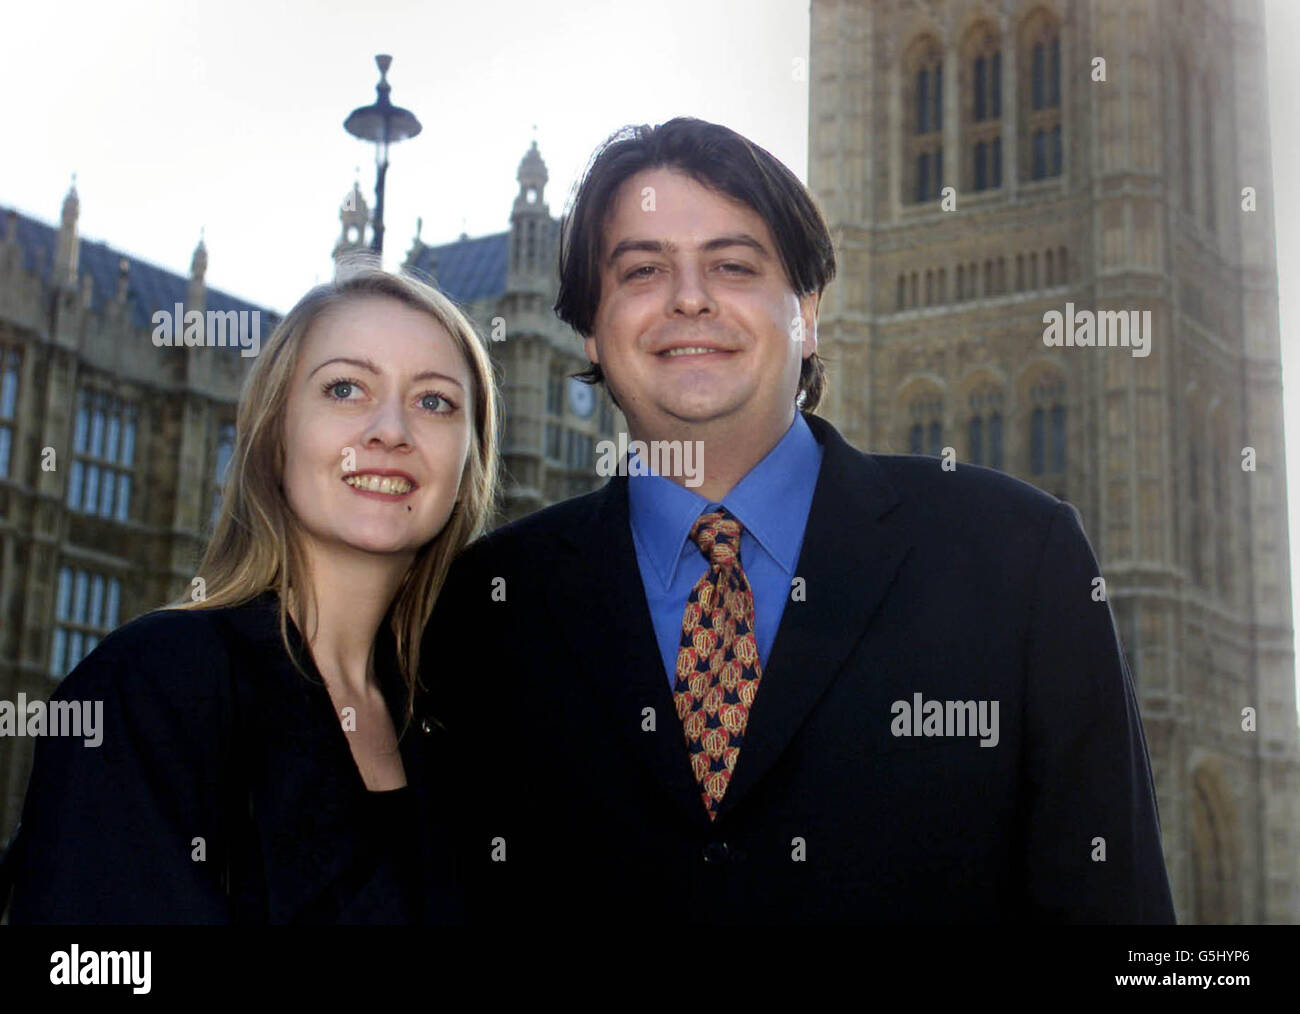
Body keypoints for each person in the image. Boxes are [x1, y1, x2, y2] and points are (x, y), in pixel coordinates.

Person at [422, 117, 1176, 923]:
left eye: (734, 265)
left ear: (808, 314)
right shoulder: (487, 605)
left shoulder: (1020, 562)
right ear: (591, 331)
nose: (690, 297)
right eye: (643, 271)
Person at [7, 265, 499, 924]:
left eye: (435, 401)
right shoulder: (149, 688)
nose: (391, 429)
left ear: (470, 463)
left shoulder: (467, 739)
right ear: (273, 435)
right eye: (346, 388)